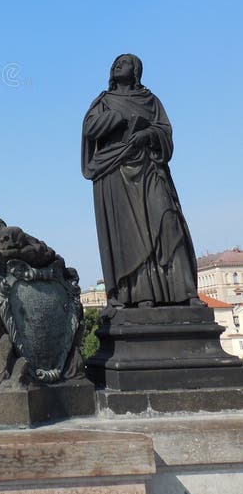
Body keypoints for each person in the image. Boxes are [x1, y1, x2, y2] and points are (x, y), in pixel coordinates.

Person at [81, 54, 200, 308]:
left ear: (136, 71)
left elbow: (165, 133)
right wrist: (120, 118)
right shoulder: (104, 101)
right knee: (129, 236)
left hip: (148, 167)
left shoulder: (151, 100)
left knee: (168, 220)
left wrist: (147, 134)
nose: (116, 66)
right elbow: (90, 129)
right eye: (114, 63)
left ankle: (185, 292)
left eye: (123, 63)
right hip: (115, 172)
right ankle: (141, 295)